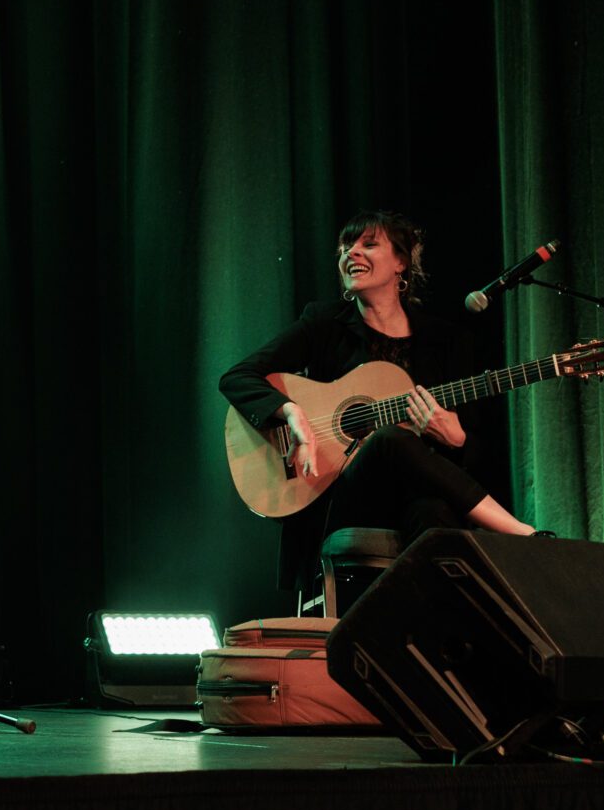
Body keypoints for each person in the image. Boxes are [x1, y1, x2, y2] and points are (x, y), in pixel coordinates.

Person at [220, 210, 536, 592]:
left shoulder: (445, 341)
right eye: (345, 247)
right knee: (389, 438)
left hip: (409, 496)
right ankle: (520, 534)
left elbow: (475, 455)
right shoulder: (324, 324)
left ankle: (426, 625)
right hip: (336, 498)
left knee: (434, 513)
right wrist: (291, 413)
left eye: (368, 244)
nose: (351, 253)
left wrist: (459, 440)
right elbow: (237, 377)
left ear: (401, 262)